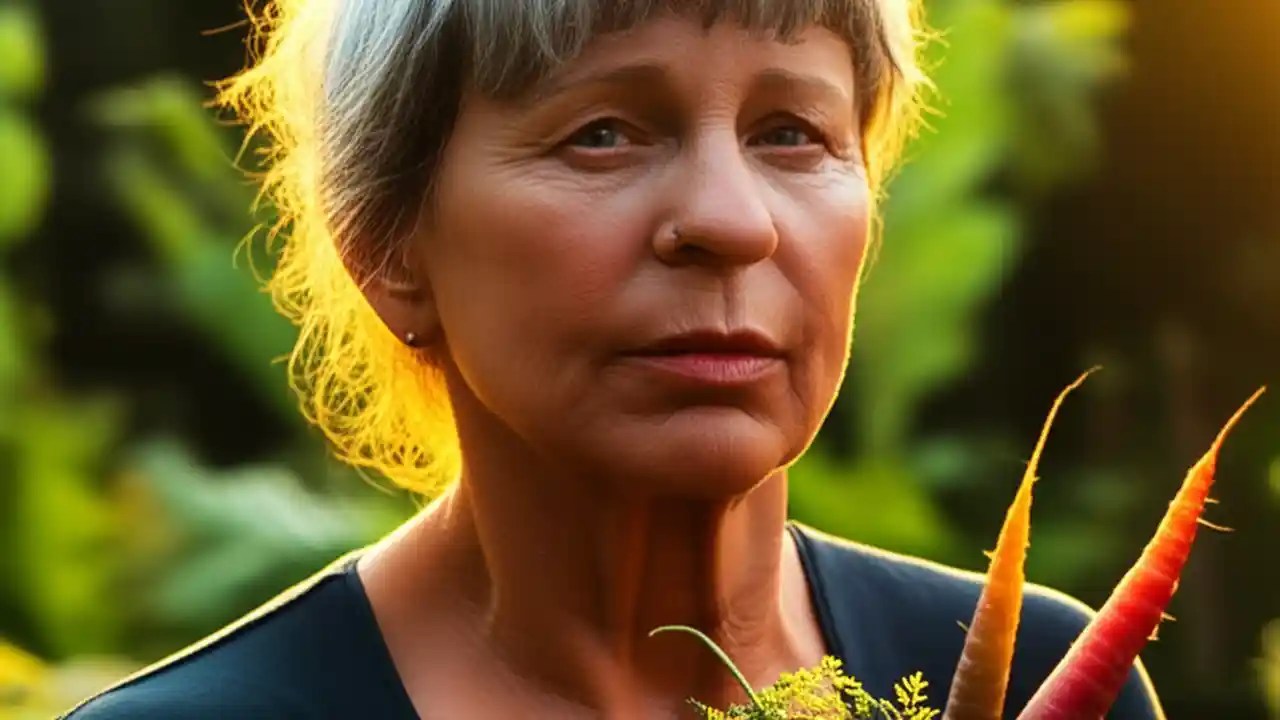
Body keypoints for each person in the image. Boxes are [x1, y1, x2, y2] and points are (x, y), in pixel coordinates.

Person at [64, 1, 1163, 717]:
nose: (734, 222)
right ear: (389, 248)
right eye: (603, 133)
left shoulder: (1044, 682)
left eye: (791, 132)